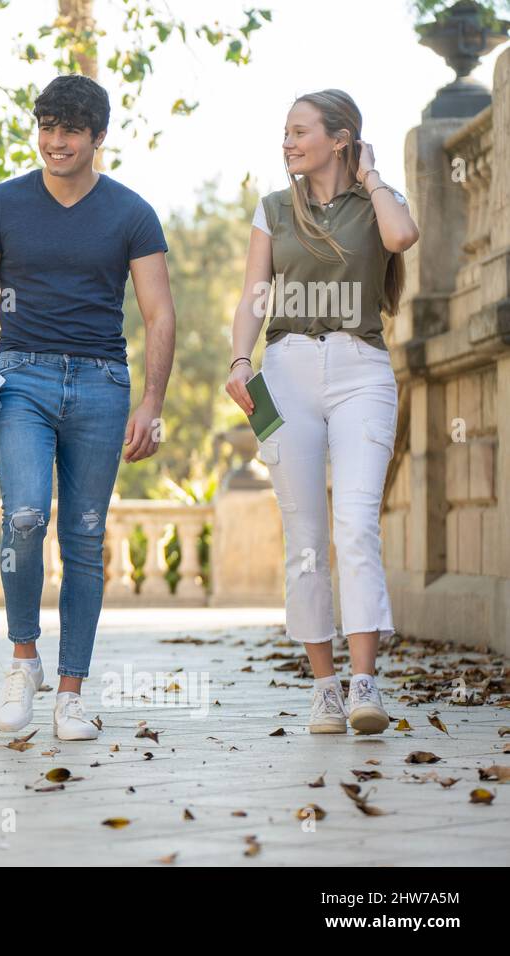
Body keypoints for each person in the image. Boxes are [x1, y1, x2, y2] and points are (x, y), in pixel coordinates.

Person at [0, 74, 176, 741]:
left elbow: (160, 315)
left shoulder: (132, 213)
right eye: (46, 127)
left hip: (104, 385)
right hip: (21, 380)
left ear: (98, 138)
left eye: (70, 130)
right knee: (21, 519)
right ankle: (23, 659)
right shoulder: (0, 205)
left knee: (82, 536)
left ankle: (71, 693)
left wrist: (153, 403)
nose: (55, 142)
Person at [226, 89, 418, 735]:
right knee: (306, 539)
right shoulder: (274, 208)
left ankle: (366, 683)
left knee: (357, 525)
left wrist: (370, 175)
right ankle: (325, 688)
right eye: (284, 131)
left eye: (300, 131)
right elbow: (255, 294)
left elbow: (403, 237)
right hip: (282, 375)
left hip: (361, 368)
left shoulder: (376, 203)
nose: (287, 142)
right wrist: (238, 361)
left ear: (340, 138)